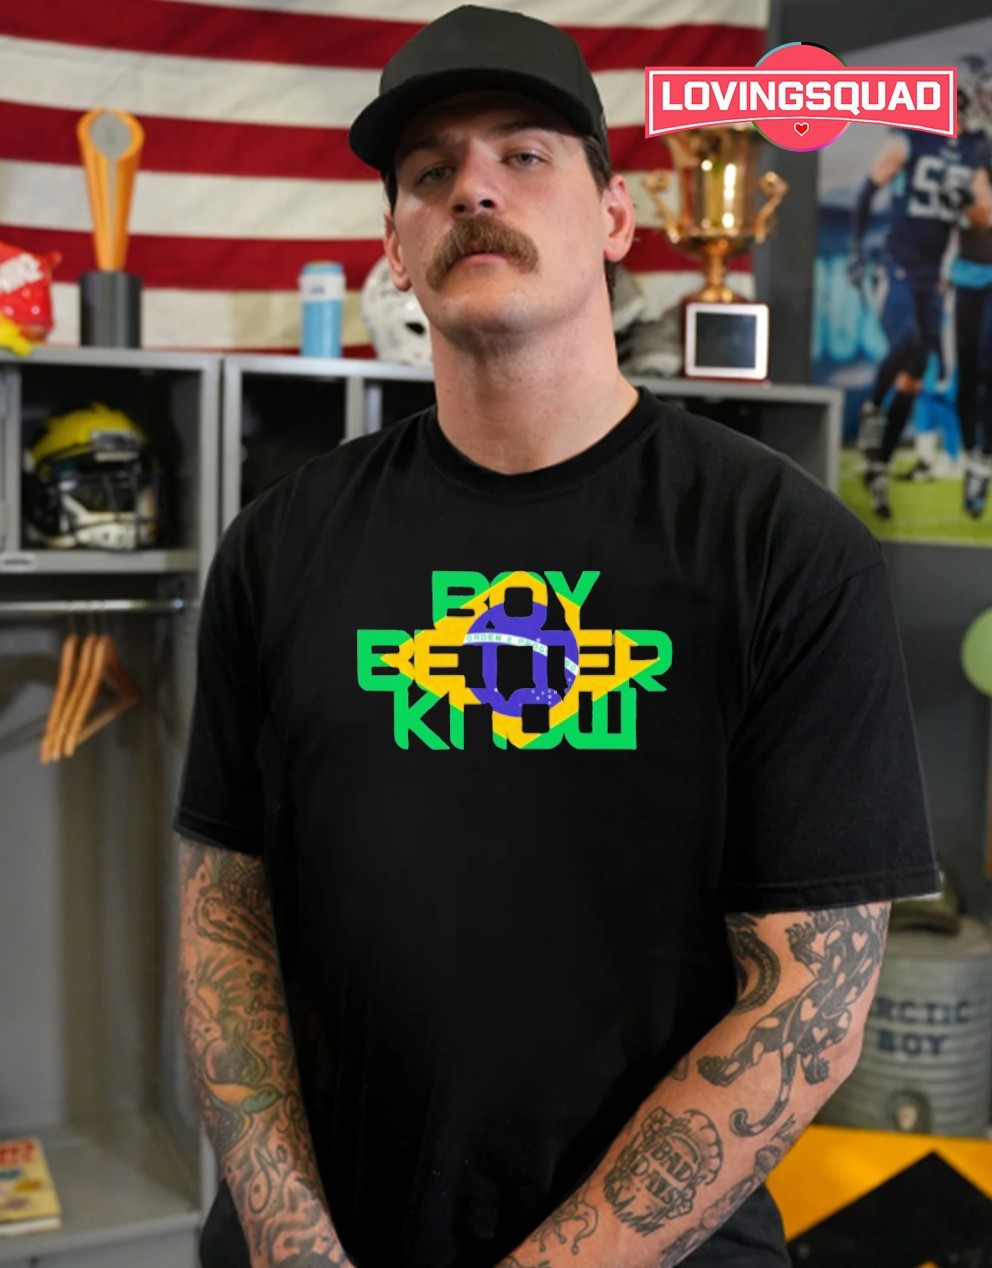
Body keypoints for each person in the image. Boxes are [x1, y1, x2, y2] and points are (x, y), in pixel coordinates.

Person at [174, 8, 938, 1268]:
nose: (471, 188)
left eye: (523, 153)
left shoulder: (783, 548)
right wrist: (290, 1236)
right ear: (395, 245)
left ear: (617, 216)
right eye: (429, 171)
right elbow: (225, 920)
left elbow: (808, 1003)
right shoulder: (277, 543)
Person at [848, 112, 992, 519]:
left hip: (933, 279)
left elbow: (984, 214)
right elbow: (867, 188)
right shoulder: (913, 136)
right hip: (898, 265)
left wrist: (966, 202)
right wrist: (856, 249)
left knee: (914, 375)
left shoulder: (971, 151)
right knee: (908, 342)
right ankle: (872, 409)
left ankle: (880, 466)